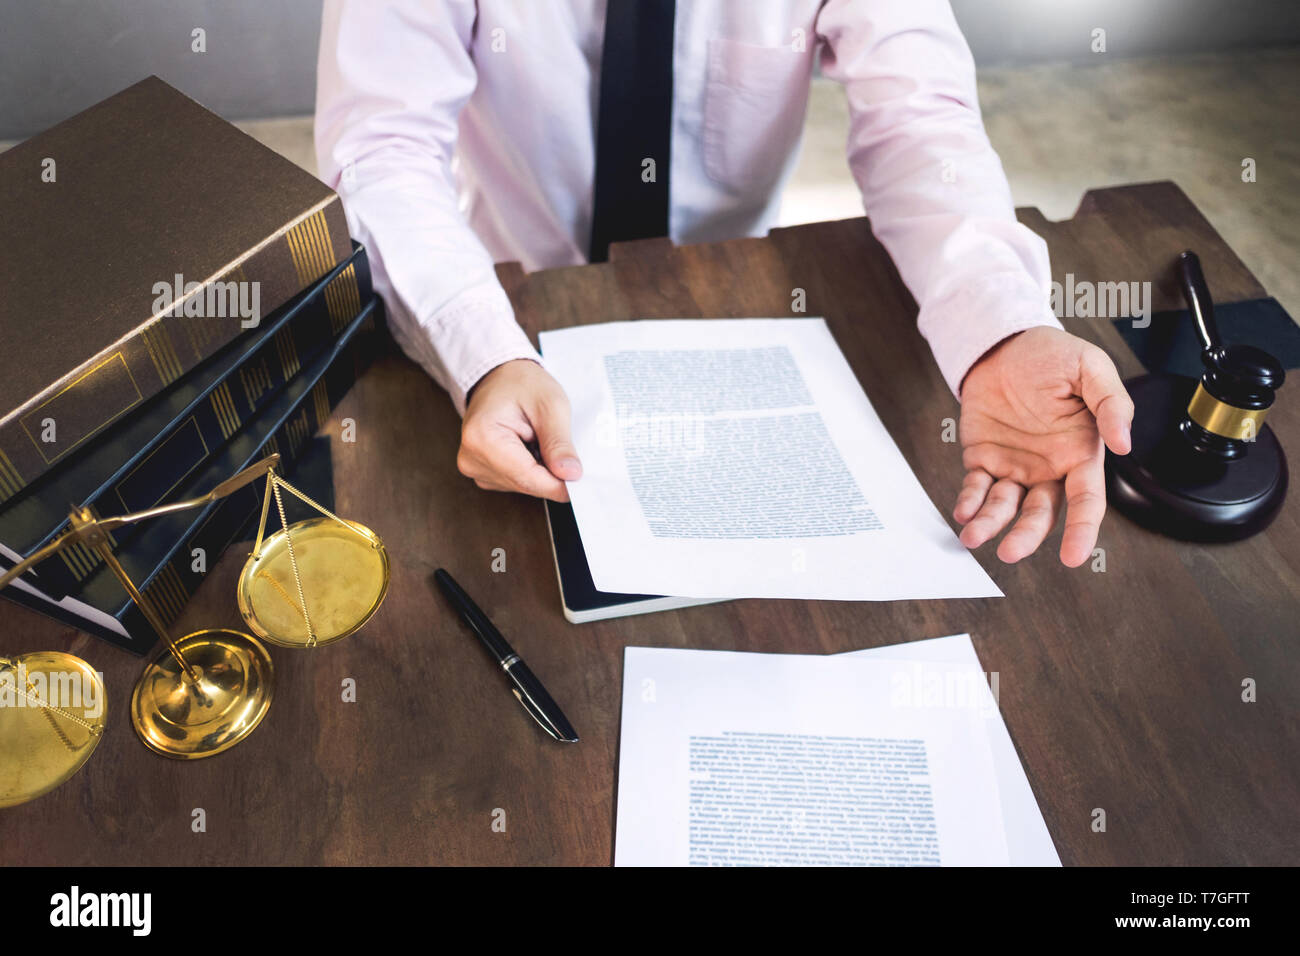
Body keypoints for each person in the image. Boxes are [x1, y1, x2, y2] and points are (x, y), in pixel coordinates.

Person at [315, 0, 1135, 568]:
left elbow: (918, 121)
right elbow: (383, 147)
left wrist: (1000, 324)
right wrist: (484, 353)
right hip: (509, 289)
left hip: (737, 289)